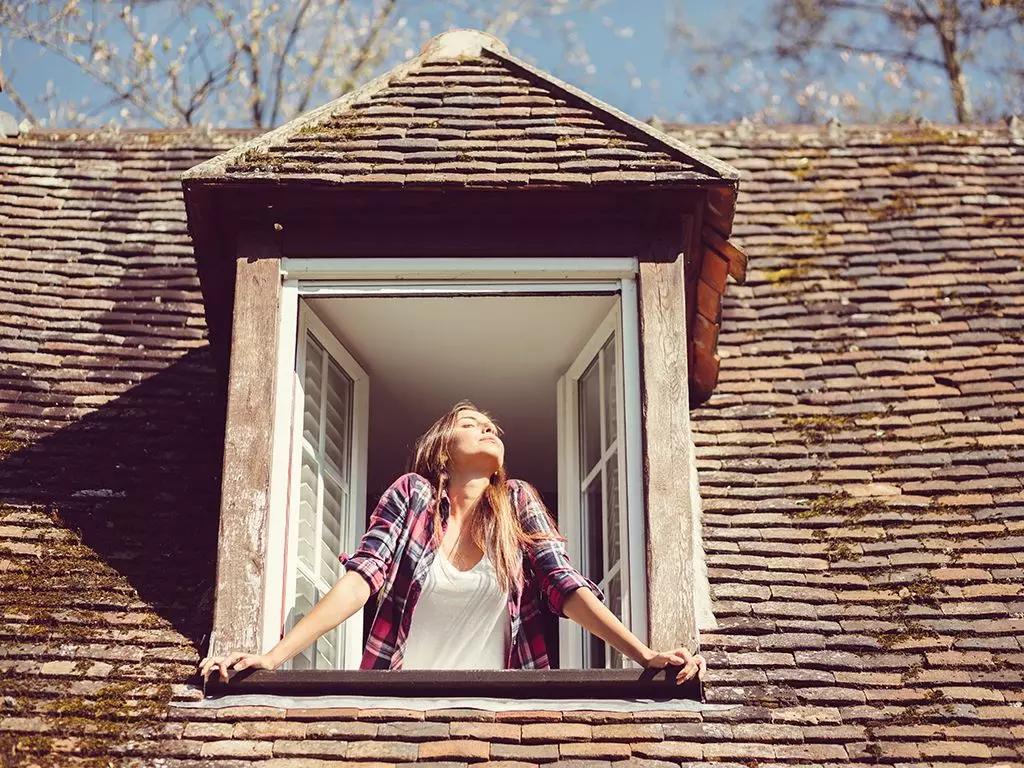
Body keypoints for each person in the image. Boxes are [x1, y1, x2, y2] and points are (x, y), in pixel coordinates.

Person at [199, 400, 707, 684]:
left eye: (492, 426)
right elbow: (361, 582)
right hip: (401, 710)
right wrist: (274, 656)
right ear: (443, 449)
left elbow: (564, 587)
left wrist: (644, 655)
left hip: (497, 718)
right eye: (471, 423)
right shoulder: (413, 496)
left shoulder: (516, 502)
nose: (488, 427)